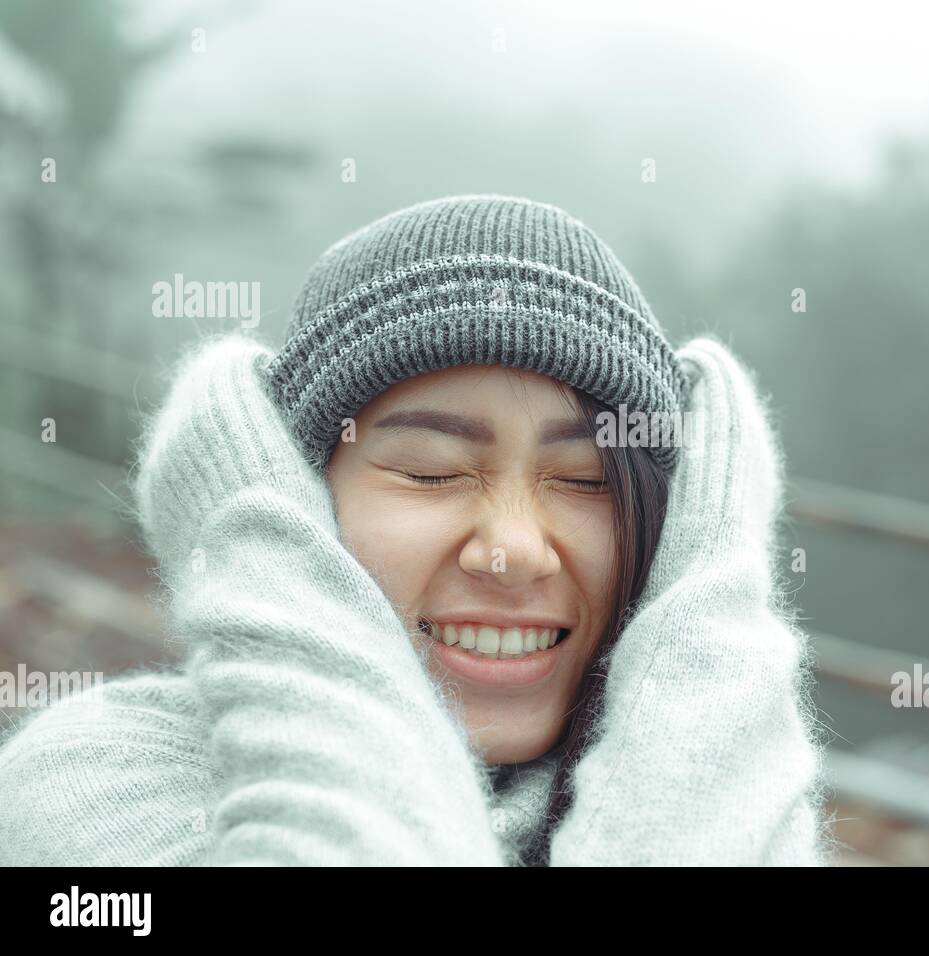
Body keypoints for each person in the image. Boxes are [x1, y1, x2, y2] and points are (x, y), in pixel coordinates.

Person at [0, 195, 838, 865]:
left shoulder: (748, 810)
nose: (513, 550)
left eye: (584, 482)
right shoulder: (94, 784)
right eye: (432, 471)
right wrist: (247, 541)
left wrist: (711, 613)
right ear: (298, 496)